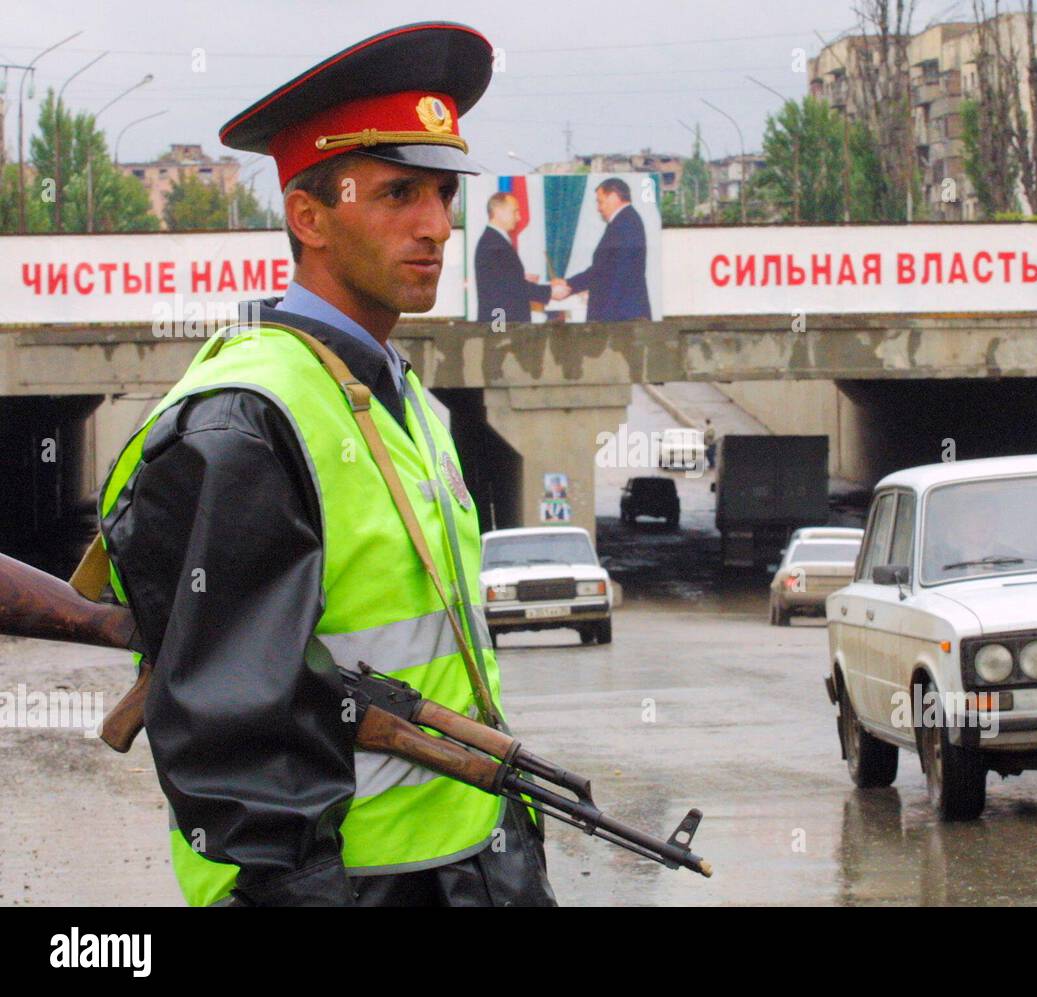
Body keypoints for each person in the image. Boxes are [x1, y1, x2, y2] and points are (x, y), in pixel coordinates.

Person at [96, 22, 555, 907]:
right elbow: (232, 744)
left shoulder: (404, 397)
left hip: (464, 869)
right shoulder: (249, 414)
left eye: (441, 195)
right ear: (308, 215)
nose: (436, 227)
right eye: (396, 195)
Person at [551, 178, 651, 320]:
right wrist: (569, 283)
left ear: (614, 197)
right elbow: (603, 269)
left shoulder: (626, 223)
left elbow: (617, 275)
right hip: (621, 312)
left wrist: (604, 318)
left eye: (600, 201)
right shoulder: (623, 221)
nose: (599, 208)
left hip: (621, 315)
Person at [474, 192, 552, 323]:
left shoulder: (494, 240)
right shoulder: (493, 243)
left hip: (502, 321)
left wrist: (520, 277)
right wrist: (549, 291)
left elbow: (503, 279)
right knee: (498, 344)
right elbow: (511, 286)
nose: (519, 218)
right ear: (498, 211)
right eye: (515, 212)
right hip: (500, 322)